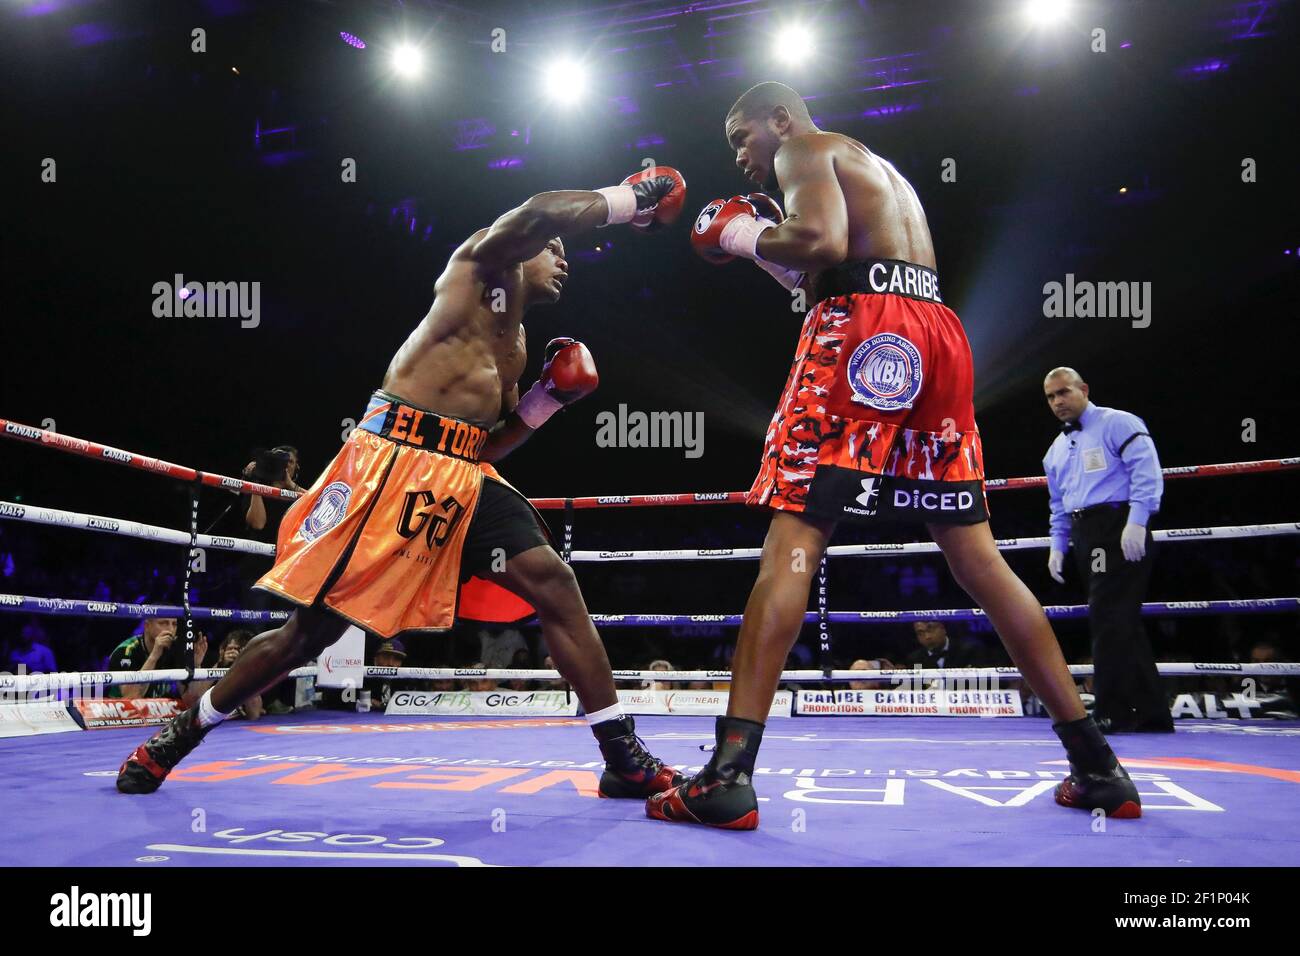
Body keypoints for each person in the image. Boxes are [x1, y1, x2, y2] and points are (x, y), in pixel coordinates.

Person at [648, 82, 1139, 829]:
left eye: (740, 137)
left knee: (794, 539)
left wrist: (736, 235)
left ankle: (728, 775)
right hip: (937, 337)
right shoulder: (878, 171)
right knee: (979, 560)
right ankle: (1097, 766)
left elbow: (820, 248)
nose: (741, 157)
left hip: (864, 331)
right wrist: (760, 249)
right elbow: (829, 267)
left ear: (779, 119)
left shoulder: (805, 148)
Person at [117, 166, 689, 802]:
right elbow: (541, 212)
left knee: (553, 580)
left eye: (563, 252)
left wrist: (547, 400)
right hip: (392, 463)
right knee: (311, 635)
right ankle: (181, 732)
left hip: (465, 474)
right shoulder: (480, 265)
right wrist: (628, 199)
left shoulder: (517, 343)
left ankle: (623, 756)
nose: (563, 261)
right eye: (554, 251)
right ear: (523, 249)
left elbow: (492, 439)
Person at [1042, 367, 1171, 733]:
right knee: (1120, 620)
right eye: (1051, 397)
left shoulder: (1119, 422)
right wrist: (1057, 544)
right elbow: (1058, 503)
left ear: (1083, 389)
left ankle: (1113, 710)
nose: (1058, 402)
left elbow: (1147, 470)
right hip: (1085, 534)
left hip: (1118, 526)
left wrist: (1138, 519)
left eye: (1064, 392)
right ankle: (1151, 713)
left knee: (1108, 619)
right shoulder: (1054, 451)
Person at [107, 618, 207, 702]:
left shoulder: (174, 649)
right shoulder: (127, 651)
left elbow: (189, 700)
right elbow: (131, 697)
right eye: (163, 623)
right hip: (120, 717)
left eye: (174, 624)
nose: (170, 629)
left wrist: (195, 665)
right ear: (147, 626)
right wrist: (154, 656)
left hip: (156, 716)